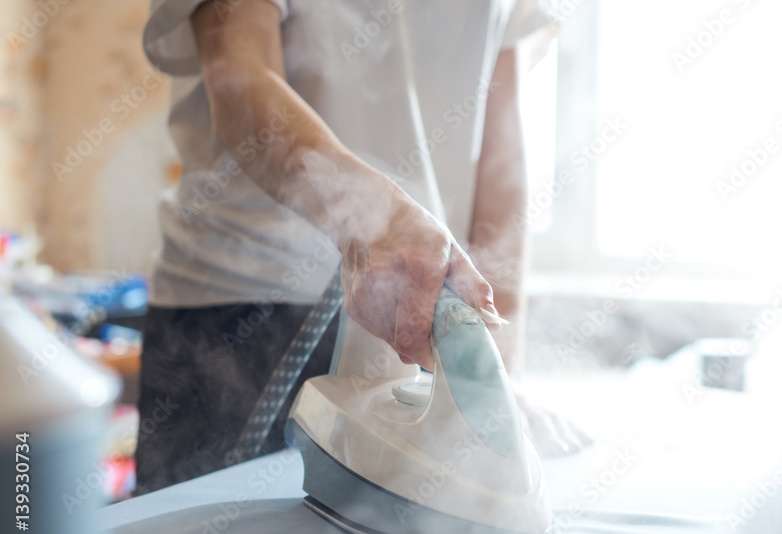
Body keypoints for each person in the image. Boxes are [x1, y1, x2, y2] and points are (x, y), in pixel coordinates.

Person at [134, 0, 589, 494]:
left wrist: (498, 373)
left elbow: (502, 152)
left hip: (413, 304)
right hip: (241, 315)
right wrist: (380, 218)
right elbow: (240, 78)